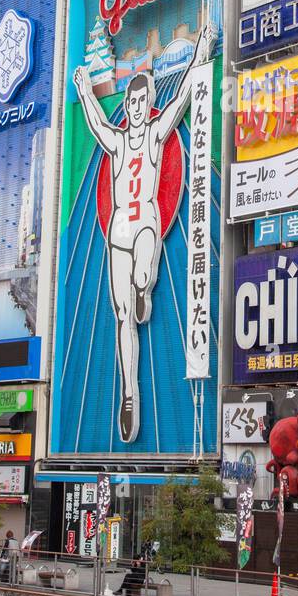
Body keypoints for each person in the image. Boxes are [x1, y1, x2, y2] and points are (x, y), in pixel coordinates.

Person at [73, 22, 214, 444]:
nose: (135, 106)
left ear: (148, 101)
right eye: (131, 100)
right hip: (118, 230)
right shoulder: (116, 143)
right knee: (121, 319)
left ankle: (143, 285)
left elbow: (185, 94)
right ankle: (130, 394)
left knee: (146, 252)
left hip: (146, 223)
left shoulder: (155, 134)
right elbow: (97, 123)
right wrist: (83, 88)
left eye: (141, 99)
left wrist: (202, 49)